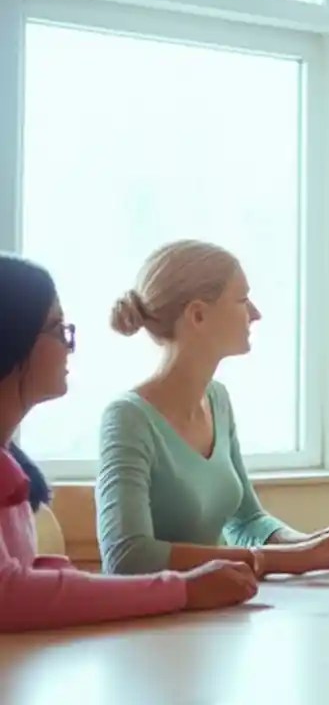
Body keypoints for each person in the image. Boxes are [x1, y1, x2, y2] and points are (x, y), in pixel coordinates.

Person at [0, 253, 257, 632]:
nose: (69, 345)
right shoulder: (129, 415)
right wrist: (184, 589)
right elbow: (10, 594)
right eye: (58, 329)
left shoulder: (11, 469)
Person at [97, 240, 329, 576]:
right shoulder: (127, 418)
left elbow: (247, 520)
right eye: (242, 300)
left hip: (214, 610)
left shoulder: (218, 400)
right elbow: (128, 557)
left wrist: (319, 545)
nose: (255, 313)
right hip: (157, 623)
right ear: (197, 315)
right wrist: (292, 558)